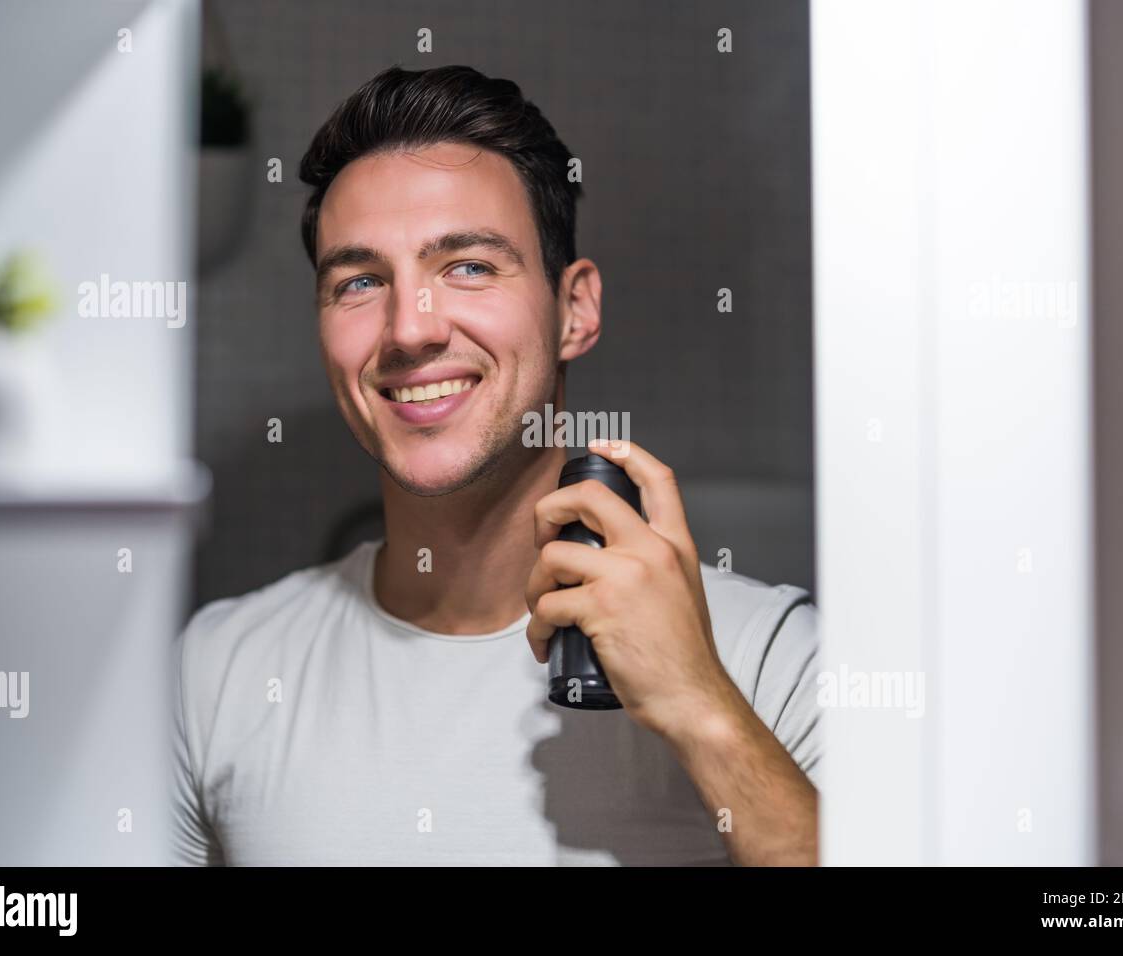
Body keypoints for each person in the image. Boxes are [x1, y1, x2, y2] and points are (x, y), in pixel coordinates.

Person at [172, 64, 821, 866]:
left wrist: (701, 706)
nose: (410, 329)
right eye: (361, 280)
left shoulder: (774, 662)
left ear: (573, 311)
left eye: (469, 266)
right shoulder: (216, 673)